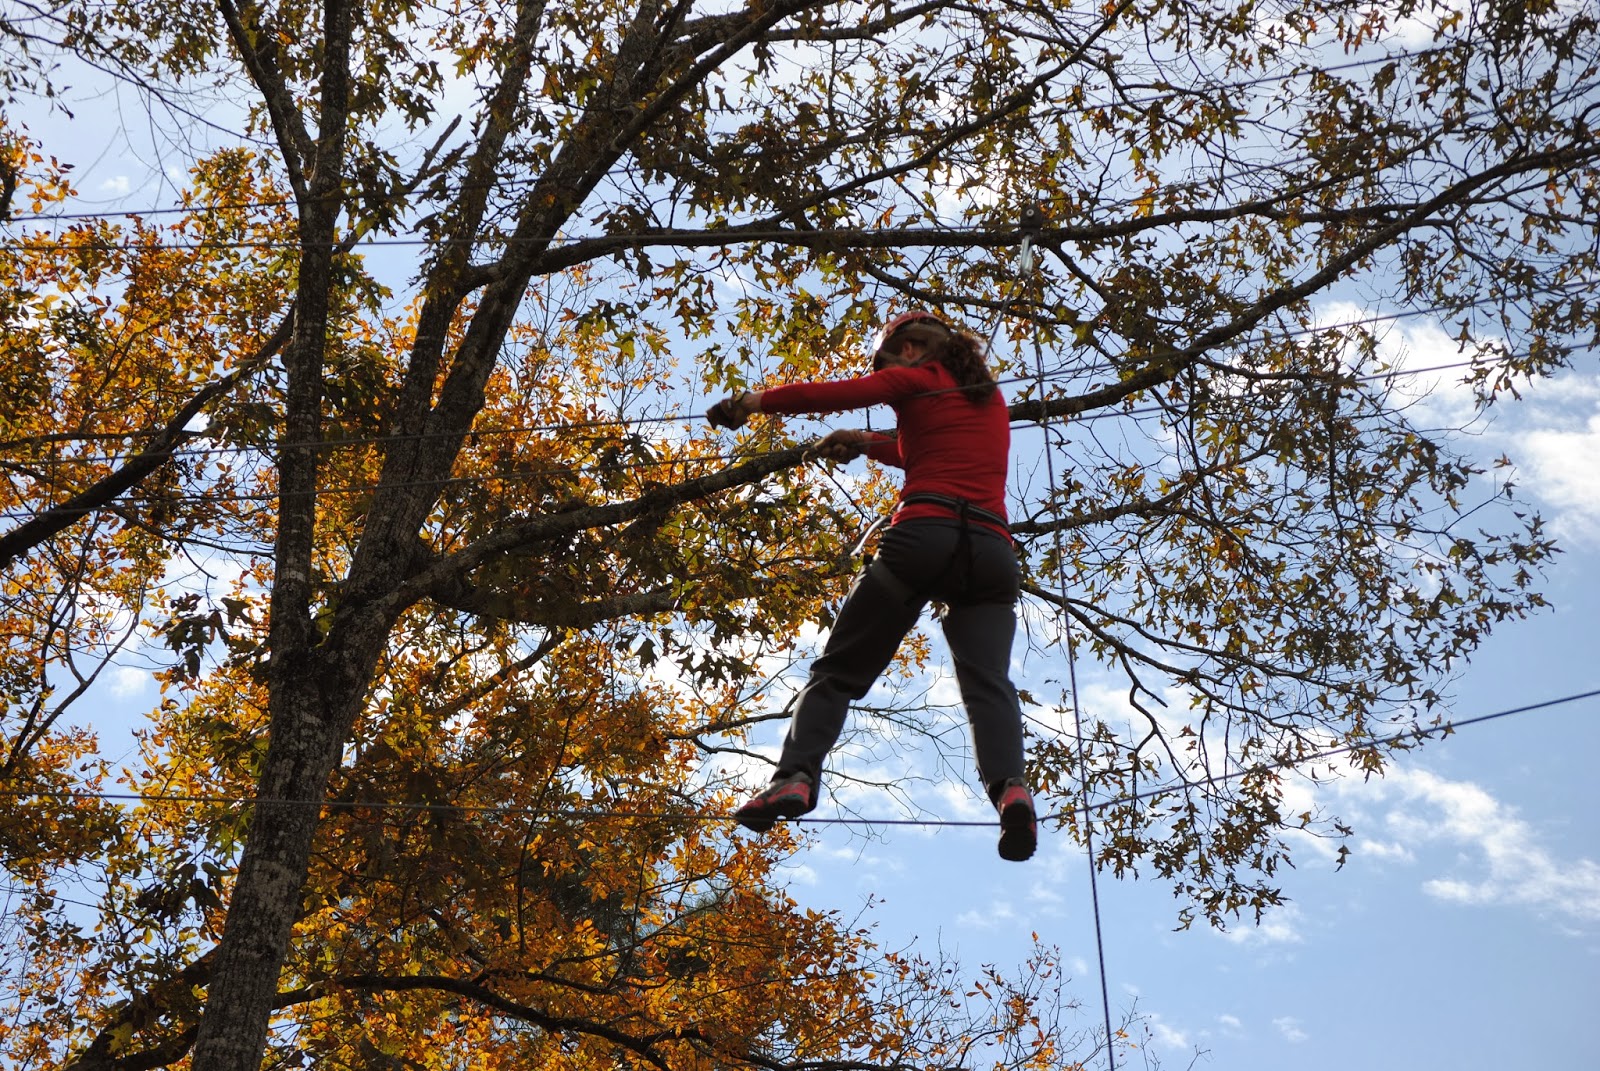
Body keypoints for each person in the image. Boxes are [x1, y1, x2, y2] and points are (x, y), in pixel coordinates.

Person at [706, 311, 1037, 861]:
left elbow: (833, 393)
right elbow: (918, 450)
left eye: (884, 361)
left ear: (908, 351)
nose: (881, 374)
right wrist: (863, 441)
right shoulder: (988, 400)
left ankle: (795, 776)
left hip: (922, 536)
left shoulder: (915, 377)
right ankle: (1012, 792)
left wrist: (751, 402)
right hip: (991, 553)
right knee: (988, 686)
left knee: (836, 673)